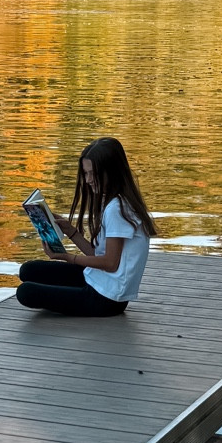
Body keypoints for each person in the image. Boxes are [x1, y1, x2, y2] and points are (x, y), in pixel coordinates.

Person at [17, 136, 156, 318]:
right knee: (29, 270)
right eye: (86, 173)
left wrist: (67, 257)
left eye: (93, 174)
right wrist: (71, 232)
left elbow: (110, 263)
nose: (88, 180)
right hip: (97, 280)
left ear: (111, 172)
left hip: (106, 298)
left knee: (26, 292)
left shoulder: (117, 209)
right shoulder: (115, 200)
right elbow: (98, 256)